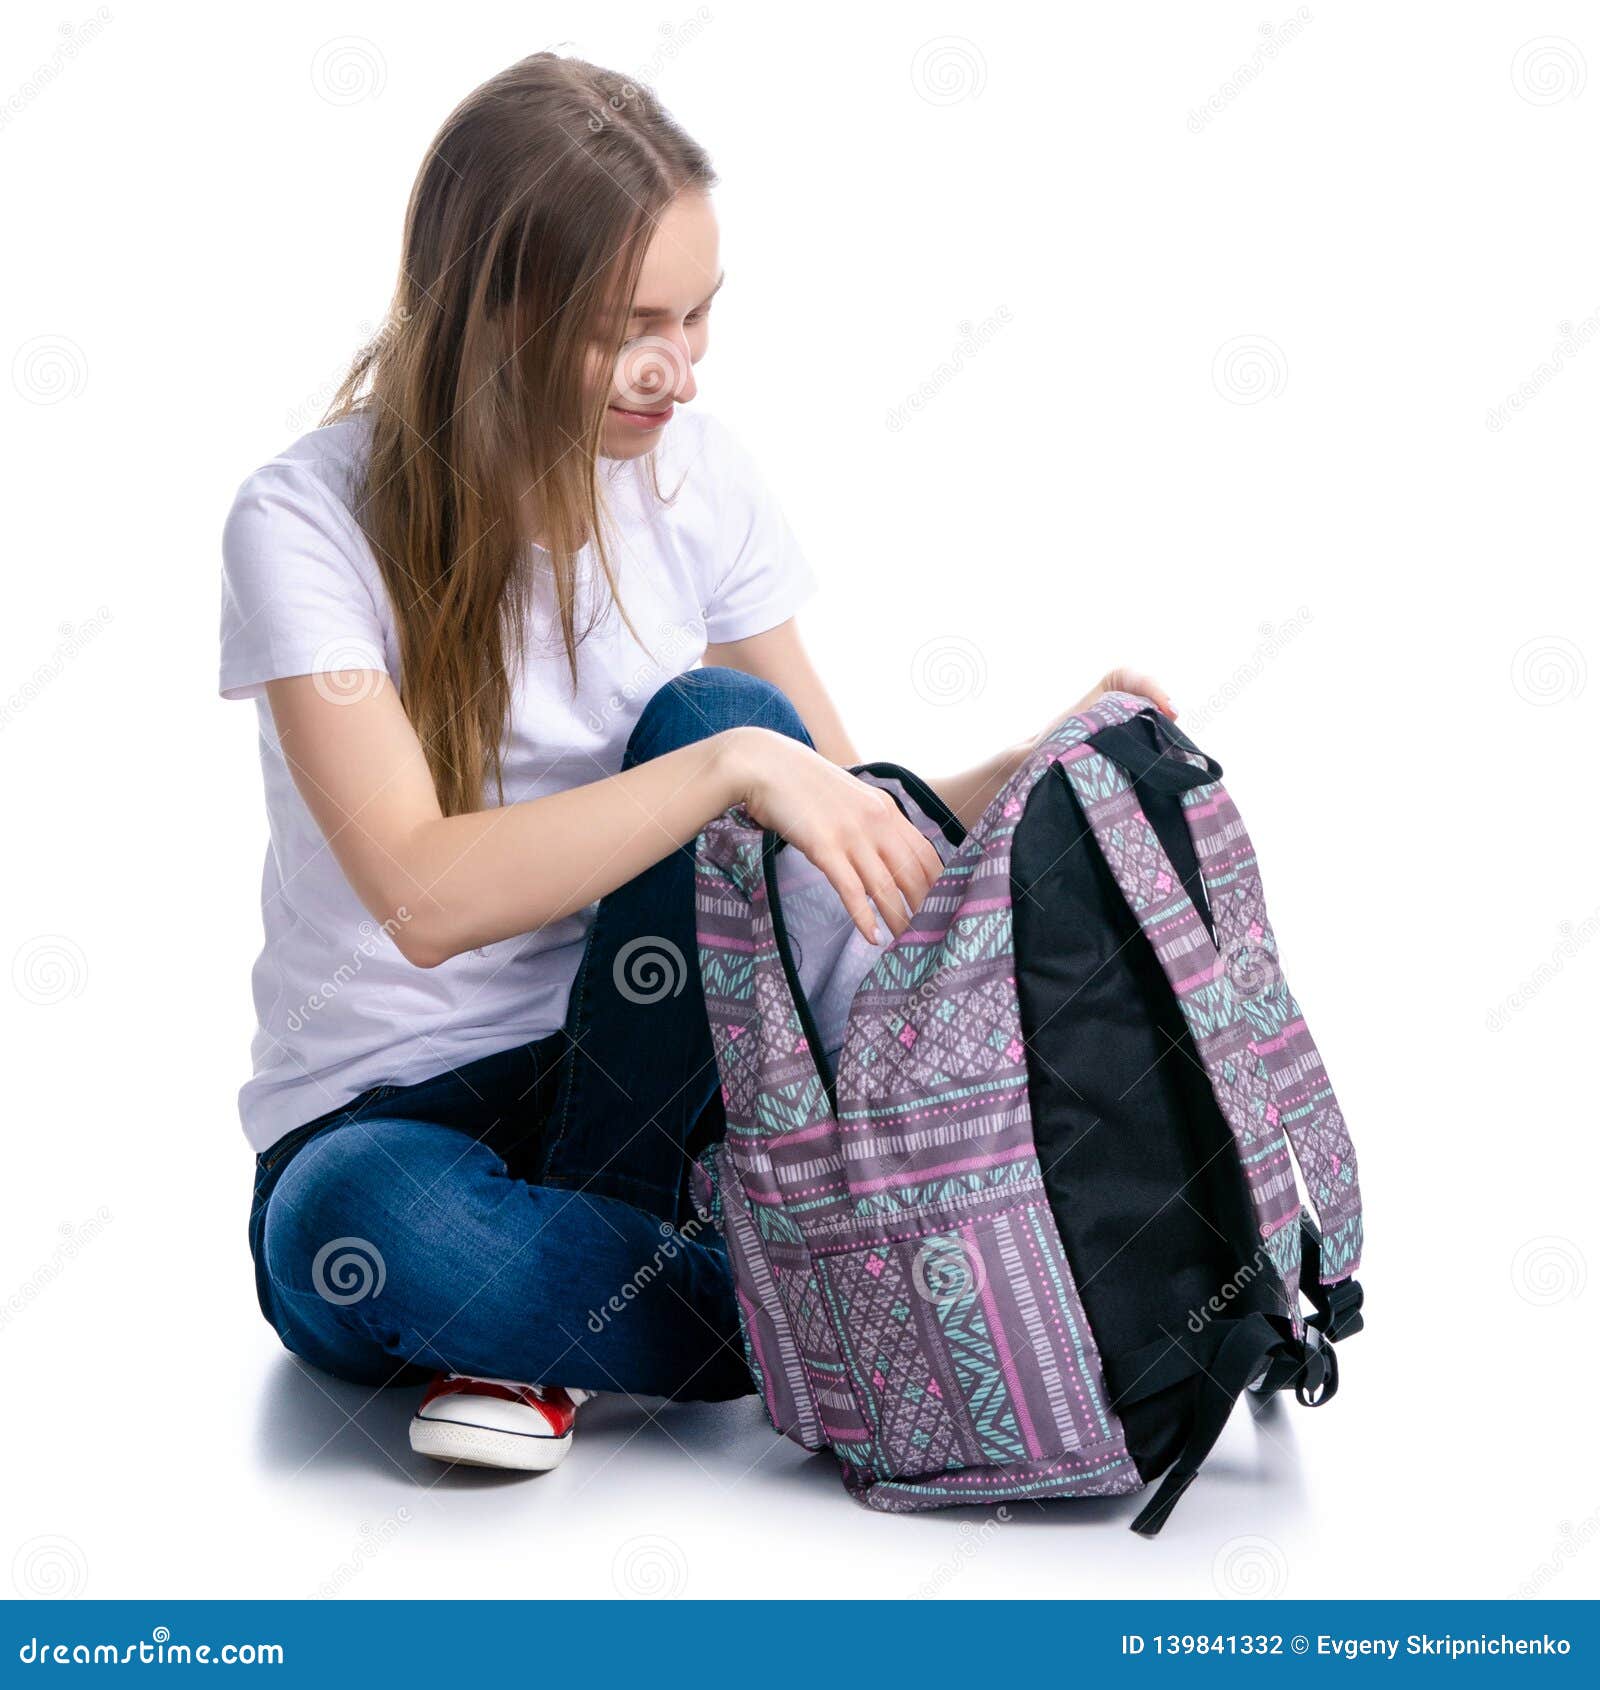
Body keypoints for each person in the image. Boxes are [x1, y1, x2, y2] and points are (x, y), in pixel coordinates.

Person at [221, 53, 1174, 1472]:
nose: (681, 366)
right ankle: (826, 1302)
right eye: (631, 331)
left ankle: (564, 1323)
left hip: (653, 1074)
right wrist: (732, 764)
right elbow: (421, 894)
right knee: (355, 1227)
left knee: (721, 709)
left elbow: (843, 813)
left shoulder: (698, 477)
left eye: (699, 313)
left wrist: (1034, 759)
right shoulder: (304, 521)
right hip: (390, 1108)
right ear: (498, 315)